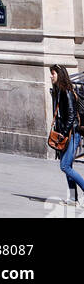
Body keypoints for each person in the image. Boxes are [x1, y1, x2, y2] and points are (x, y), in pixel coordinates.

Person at [50, 64, 84, 205]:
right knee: (67, 165)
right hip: (67, 133)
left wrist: (63, 134)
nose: (51, 76)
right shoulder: (59, 91)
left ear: (60, 75)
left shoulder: (66, 92)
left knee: (64, 166)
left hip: (71, 133)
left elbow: (70, 115)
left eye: (53, 74)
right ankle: (72, 198)